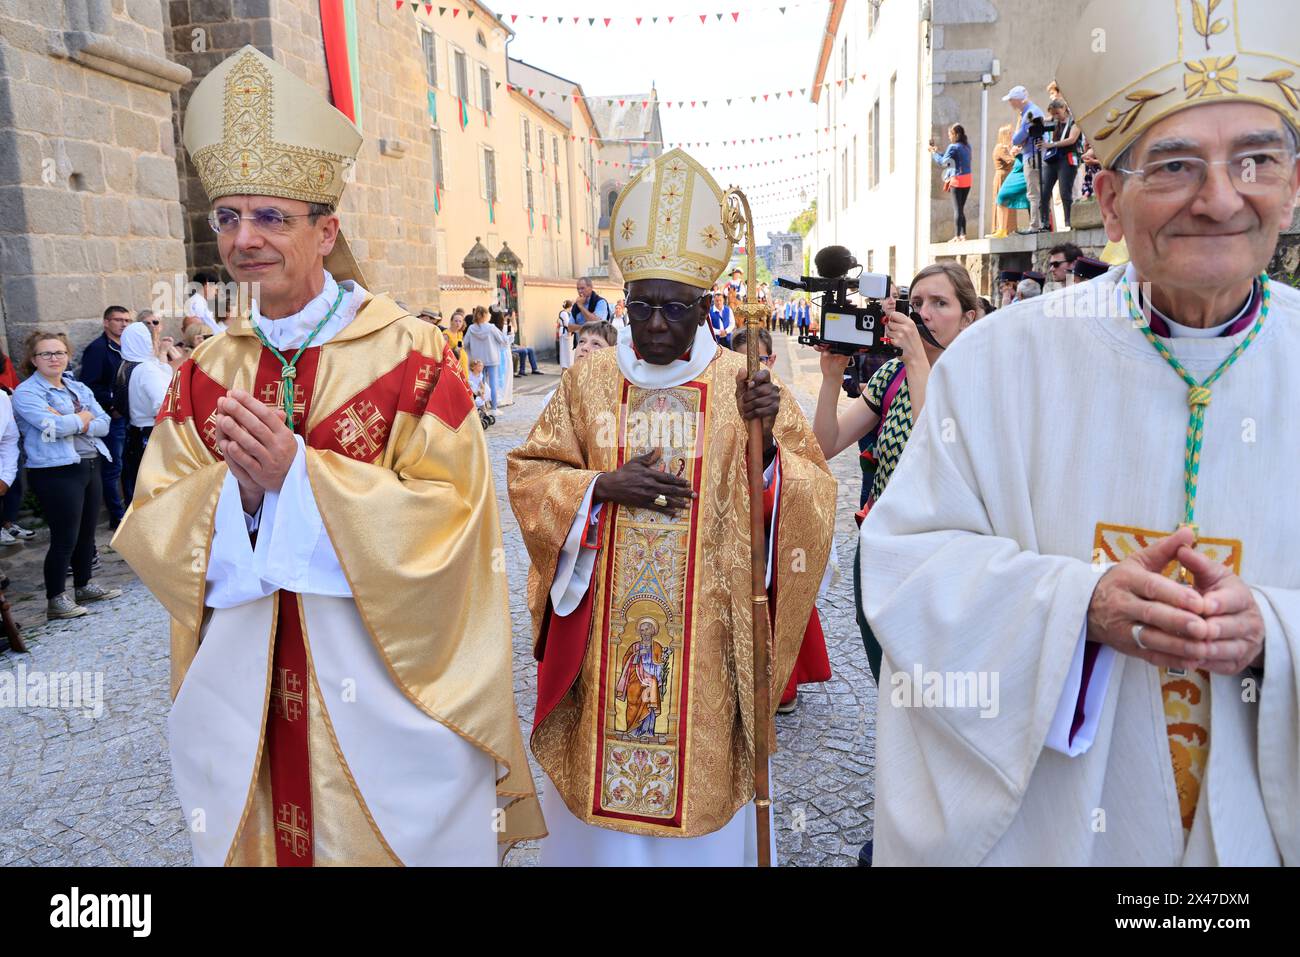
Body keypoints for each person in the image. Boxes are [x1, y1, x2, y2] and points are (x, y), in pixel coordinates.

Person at [861, 0, 1300, 865]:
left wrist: (1274, 634)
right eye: (1175, 166)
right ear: (1106, 196)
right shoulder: (996, 362)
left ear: (1293, 182)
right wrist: (1077, 608)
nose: (1220, 198)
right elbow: (906, 563)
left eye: (1256, 159)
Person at [110, 45, 541, 866]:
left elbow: (456, 519)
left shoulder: (413, 356)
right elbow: (153, 516)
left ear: (326, 228)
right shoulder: (204, 371)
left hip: (381, 698)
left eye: (271, 217)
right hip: (251, 700)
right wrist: (234, 502)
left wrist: (299, 480)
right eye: (227, 217)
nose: (244, 239)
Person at [507, 148, 835, 867]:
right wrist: (598, 489)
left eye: (675, 308)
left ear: (704, 307)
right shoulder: (589, 382)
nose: (656, 323)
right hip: (605, 654)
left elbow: (810, 490)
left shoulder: (742, 386)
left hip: (708, 653)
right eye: (643, 305)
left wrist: (770, 450)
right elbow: (530, 472)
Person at [813, 262, 980, 684]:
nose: (924, 313)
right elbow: (825, 446)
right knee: (887, 680)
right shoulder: (892, 374)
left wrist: (918, 361)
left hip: (944, 555)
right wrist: (832, 379)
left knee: (930, 685)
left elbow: (935, 454)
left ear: (969, 318)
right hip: (880, 549)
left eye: (940, 303)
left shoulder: (978, 378)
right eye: (917, 301)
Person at [733, 325, 832, 715]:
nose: (749, 369)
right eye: (740, 361)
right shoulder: (722, 395)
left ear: (772, 361)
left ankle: (781, 681)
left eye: (758, 360)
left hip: (773, 514)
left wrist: (770, 455)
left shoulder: (783, 400)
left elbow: (807, 462)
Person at [12, 331, 122, 619]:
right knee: (65, 536)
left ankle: (84, 585)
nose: (54, 358)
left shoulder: (78, 387)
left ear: (68, 355)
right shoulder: (27, 393)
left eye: (59, 352)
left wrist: (77, 422)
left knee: (87, 533)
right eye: (46, 354)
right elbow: (52, 428)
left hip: (89, 462)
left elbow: (105, 423)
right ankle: (55, 599)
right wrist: (84, 418)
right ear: (33, 360)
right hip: (54, 470)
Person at [78, 305, 129, 530]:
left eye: (127, 320)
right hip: (112, 417)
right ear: (106, 322)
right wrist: (111, 405)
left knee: (129, 466)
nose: (123, 324)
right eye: (118, 320)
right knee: (113, 469)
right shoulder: (98, 349)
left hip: (129, 417)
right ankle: (117, 517)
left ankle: (130, 513)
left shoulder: (128, 347)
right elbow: (89, 385)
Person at [117, 319, 173, 505]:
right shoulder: (147, 370)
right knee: (158, 493)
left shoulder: (128, 366)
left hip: (137, 432)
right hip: (151, 433)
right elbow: (164, 404)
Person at [1006, 84, 1048, 233]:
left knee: (1033, 192)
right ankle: (1040, 224)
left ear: (1018, 100)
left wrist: (1019, 139)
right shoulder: (1032, 111)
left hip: (1032, 156)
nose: (1010, 103)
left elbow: (1018, 138)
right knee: (1037, 191)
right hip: (1034, 154)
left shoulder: (1029, 113)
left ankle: (1035, 225)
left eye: (1011, 100)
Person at [1042, 98, 1084, 230]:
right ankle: (1044, 222)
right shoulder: (1054, 120)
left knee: (1065, 192)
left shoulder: (1075, 121)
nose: (1055, 117)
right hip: (1054, 159)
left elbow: (1071, 140)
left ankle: (1069, 222)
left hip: (1068, 158)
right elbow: (1042, 120)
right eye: (1053, 114)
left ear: (1065, 109)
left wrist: (1051, 144)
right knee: (1044, 190)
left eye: (1057, 113)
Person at [930, 124, 973, 241]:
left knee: (957, 209)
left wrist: (934, 154)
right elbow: (951, 157)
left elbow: (944, 163)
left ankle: (957, 236)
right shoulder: (967, 146)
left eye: (950, 134)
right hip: (967, 180)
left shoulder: (953, 147)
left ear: (956, 134)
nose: (949, 136)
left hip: (957, 180)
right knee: (961, 208)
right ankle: (963, 235)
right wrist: (938, 152)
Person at [464, 305, 510, 414]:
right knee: (493, 384)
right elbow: (502, 339)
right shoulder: (491, 327)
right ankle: (494, 408)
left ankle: (482, 407)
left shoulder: (471, 328)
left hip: (477, 360)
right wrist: (508, 336)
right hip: (491, 358)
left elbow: (465, 343)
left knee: (479, 383)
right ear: (485, 315)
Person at [989, 124, 1020, 237]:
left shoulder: (1006, 148)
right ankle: (1001, 229)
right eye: (1010, 133)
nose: (1012, 135)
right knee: (1002, 203)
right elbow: (1011, 161)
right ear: (1005, 135)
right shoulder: (1000, 148)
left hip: (1008, 176)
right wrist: (1016, 154)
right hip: (1002, 177)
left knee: (1009, 204)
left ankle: (1009, 229)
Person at [567, 277, 610, 343]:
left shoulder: (600, 302)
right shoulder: (576, 306)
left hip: (599, 345)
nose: (580, 291)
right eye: (578, 289)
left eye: (582, 288)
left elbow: (596, 322)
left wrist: (581, 306)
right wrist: (585, 327)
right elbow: (570, 327)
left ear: (590, 287)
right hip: (582, 345)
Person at [556, 302, 575, 369]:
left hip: (568, 332)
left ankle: (569, 364)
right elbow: (567, 323)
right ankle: (565, 365)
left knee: (569, 350)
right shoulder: (564, 313)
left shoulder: (567, 313)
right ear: (569, 306)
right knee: (565, 350)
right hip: (565, 332)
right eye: (571, 306)